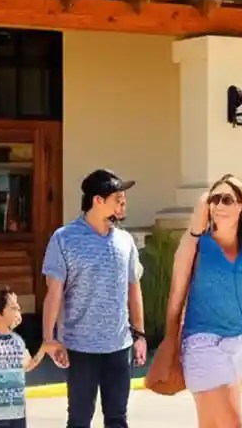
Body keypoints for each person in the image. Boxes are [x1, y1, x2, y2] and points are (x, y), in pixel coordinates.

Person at [165, 173, 242, 428]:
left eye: (227, 199)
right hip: (202, 344)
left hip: (239, 346)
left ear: (241, 206)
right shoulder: (196, 243)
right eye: (214, 199)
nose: (218, 206)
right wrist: (171, 342)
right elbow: (176, 290)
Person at [40, 168, 146, 428]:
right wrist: (49, 339)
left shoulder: (125, 241)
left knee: (117, 419)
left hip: (119, 346)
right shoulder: (64, 239)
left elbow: (134, 288)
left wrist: (140, 335)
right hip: (80, 348)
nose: (123, 203)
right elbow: (53, 293)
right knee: (78, 420)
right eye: (118, 198)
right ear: (98, 200)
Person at [0, 285, 47, 428]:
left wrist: (43, 349)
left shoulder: (18, 340)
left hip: (18, 412)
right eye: (13, 308)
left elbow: (27, 365)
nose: (19, 311)